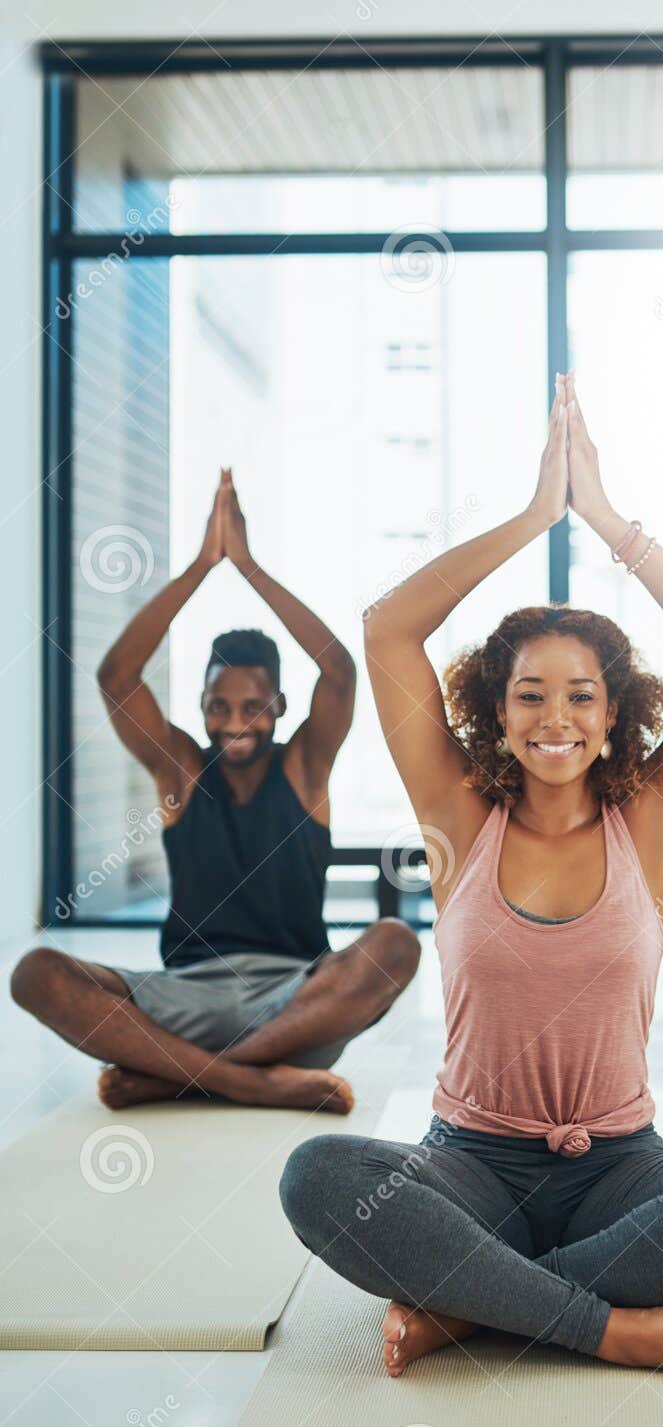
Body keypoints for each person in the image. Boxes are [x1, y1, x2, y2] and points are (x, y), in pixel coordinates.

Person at [279, 374, 663, 1383]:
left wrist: (608, 519)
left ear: (615, 714)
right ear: (496, 710)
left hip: (620, 1168)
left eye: (582, 695)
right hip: (468, 1162)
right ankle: (618, 1329)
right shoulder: (458, 817)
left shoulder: (650, 826)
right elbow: (389, 629)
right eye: (529, 693)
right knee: (318, 1174)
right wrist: (535, 515)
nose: (556, 715)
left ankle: (477, 1305)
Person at [11, 471, 419, 1113]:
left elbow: (337, 666)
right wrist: (204, 564)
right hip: (185, 997)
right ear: (199, 706)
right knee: (35, 974)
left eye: (252, 707)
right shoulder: (180, 772)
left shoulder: (306, 767)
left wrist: (248, 566)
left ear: (280, 706)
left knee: (397, 941)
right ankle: (249, 1081)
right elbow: (117, 674)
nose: (233, 723)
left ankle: (180, 1080)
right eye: (217, 706)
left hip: (297, 999)